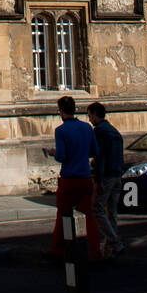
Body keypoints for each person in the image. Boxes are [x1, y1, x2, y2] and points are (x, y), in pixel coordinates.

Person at [50, 95, 101, 263]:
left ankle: (58, 251)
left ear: (61, 111)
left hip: (69, 179)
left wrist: (52, 153)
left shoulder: (61, 130)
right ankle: (95, 252)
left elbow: (61, 156)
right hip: (86, 178)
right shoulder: (87, 128)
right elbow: (94, 151)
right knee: (89, 217)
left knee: (63, 215)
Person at [87, 101, 125, 258]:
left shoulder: (99, 132)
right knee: (112, 212)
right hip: (117, 175)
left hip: (107, 176)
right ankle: (111, 248)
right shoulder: (115, 131)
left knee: (97, 209)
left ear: (95, 115)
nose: (89, 119)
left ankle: (115, 242)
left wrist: (98, 180)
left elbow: (100, 157)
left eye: (90, 116)